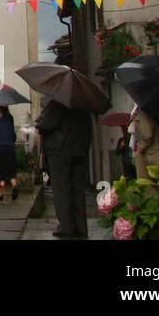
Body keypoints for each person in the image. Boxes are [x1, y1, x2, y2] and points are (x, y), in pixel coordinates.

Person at [36, 98, 93, 238]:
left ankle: (66, 227)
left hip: (60, 151)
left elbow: (46, 124)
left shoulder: (59, 101)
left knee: (62, 190)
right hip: (79, 149)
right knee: (78, 190)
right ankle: (80, 227)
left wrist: (39, 121)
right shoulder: (84, 104)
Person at [130, 104, 159, 176]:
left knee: (148, 185)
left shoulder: (144, 110)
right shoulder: (156, 109)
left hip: (150, 156)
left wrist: (139, 150)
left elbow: (147, 135)